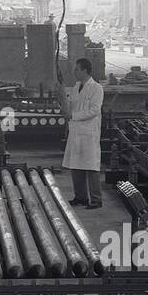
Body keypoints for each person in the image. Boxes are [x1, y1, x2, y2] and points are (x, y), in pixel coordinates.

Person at [61, 57, 104, 208]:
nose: (74, 72)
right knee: (76, 166)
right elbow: (72, 105)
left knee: (91, 166)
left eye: (77, 69)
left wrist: (73, 116)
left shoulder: (96, 88)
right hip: (75, 131)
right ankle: (80, 197)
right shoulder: (76, 86)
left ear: (85, 71)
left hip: (88, 132)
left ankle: (96, 199)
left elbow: (94, 110)